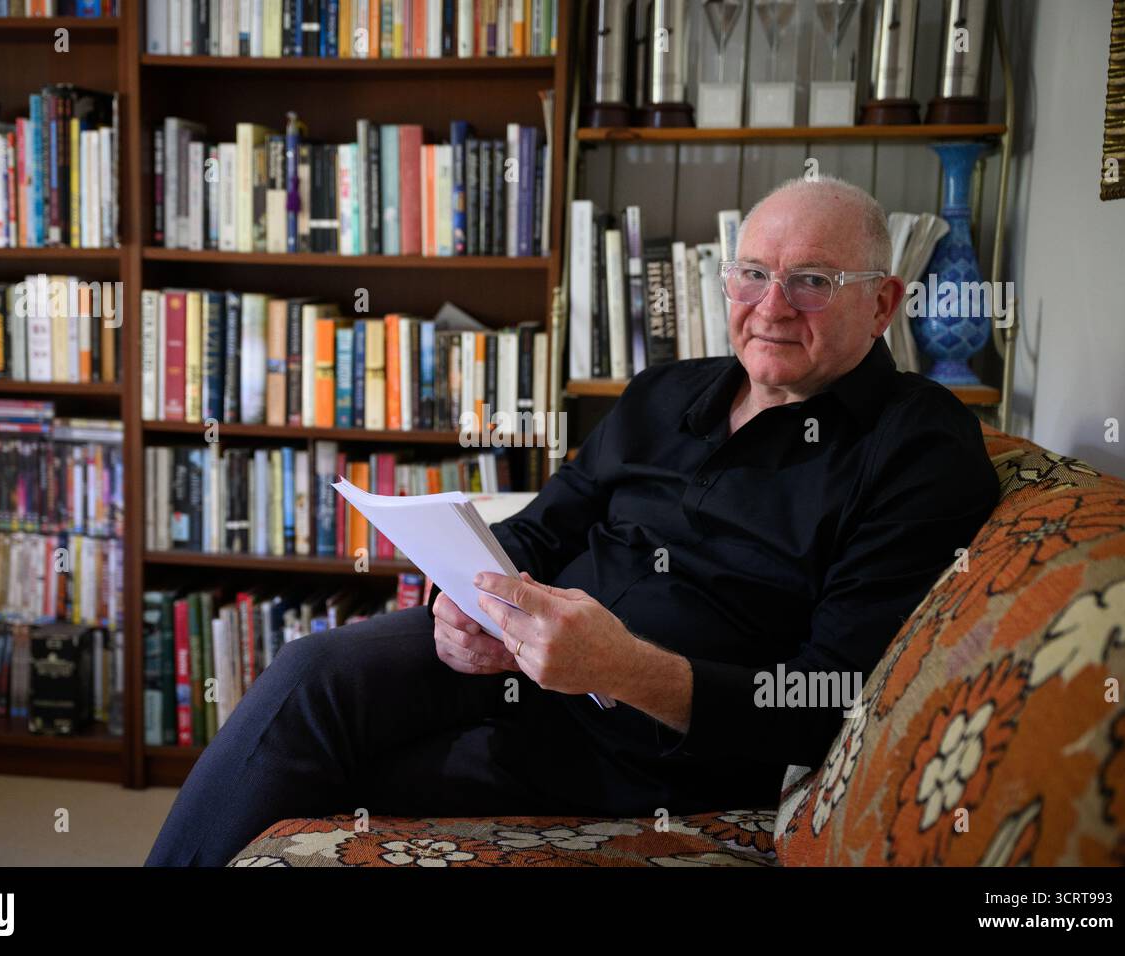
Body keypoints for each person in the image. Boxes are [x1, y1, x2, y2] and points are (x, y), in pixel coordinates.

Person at [145, 175, 999, 866]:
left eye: (812, 281)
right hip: (513, 655)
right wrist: (465, 596)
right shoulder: (669, 390)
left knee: (326, 781)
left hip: (643, 747)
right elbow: (545, 526)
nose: (771, 305)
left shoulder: (919, 449)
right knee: (310, 672)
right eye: (751, 273)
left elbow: (830, 696)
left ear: (883, 303)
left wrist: (629, 670)